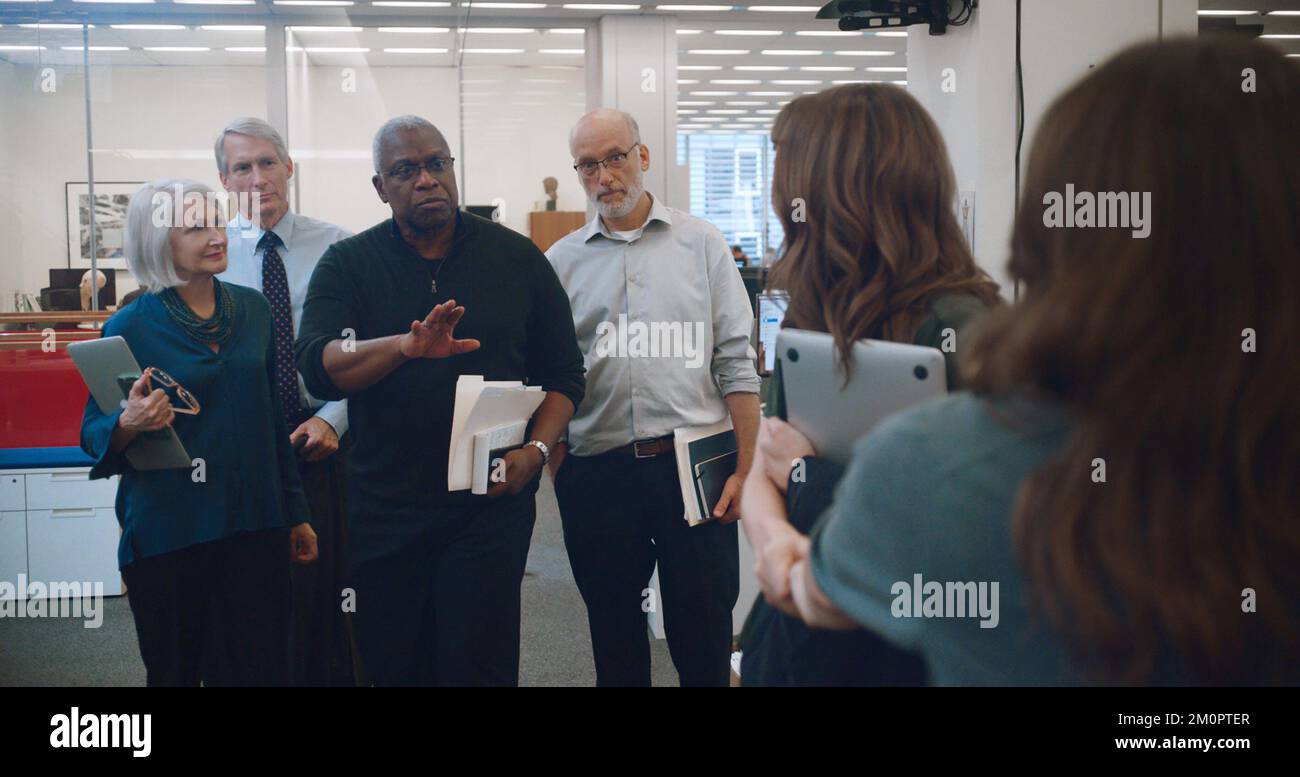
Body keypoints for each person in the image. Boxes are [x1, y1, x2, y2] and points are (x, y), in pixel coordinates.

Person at [744, 37, 1300, 685]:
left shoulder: (950, 434)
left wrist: (803, 499)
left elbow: (822, 581)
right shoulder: (820, 328)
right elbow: (771, 473)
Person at [294, 115, 585, 686]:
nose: (426, 179)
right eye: (405, 170)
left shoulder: (518, 258)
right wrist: (404, 347)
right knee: (395, 663)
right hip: (385, 510)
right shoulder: (349, 264)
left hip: (489, 507)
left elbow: (565, 375)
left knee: (480, 664)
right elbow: (318, 366)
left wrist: (537, 450)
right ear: (381, 188)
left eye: (436, 164)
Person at [738, 83, 1002, 686]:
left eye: (787, 172)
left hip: (899, 652)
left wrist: (808, 478)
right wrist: (779, 551)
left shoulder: (964, 329)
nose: (780, 200)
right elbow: (766, 463)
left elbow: (963, 535)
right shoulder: (812, 314)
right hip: (798, 632)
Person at [546, 109, 761, 687]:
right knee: (614, 638)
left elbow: (738, 363)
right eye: (588, 165)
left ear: (642, 157)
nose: (604, 176)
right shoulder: (560, 262)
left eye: (615, 157)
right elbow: (550, 372)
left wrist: (746, 466)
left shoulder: (702, 243)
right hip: (598, 473)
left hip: (696, 470)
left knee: (704, 639)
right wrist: (560, 464)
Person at [80, 178, 318, 687]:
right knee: (176, 672)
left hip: (255, 523)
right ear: (157, 241)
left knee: (263, 669)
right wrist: (127, 422)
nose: (216, 236)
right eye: (194, 228)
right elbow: (93, 432)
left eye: (216, 221)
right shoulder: (128, 327)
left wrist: (295, 514)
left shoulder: (253, 310)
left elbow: (273, 419)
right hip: (171, 532)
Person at [214, 117, 358, 687]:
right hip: (243, 451)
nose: (258, 178)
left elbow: (363, 349)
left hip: (322, 442)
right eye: (242, 167)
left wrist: (333, 420)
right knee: (251, 599)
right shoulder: (210, 254)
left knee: (329, 598)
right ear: (224, 179)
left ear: (289, 167)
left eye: (267, 163)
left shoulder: (339, 246)